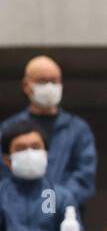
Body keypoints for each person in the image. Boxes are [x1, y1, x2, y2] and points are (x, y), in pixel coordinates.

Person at [1, 56, 97, 211]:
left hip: (62, 217)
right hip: (14, 217)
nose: (49, 86)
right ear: (26, 86)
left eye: (54, 81)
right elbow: (4, 175)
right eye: (42, 81)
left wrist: (52, 204)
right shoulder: (9, 129)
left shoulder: (77, 129)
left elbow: (84, 178)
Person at [0, 120, 78, 231]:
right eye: (21, 149)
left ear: (46, 154)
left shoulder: (58, 196)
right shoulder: (2, 195)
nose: (29, 154)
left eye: (35, 147)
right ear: (7, 160)